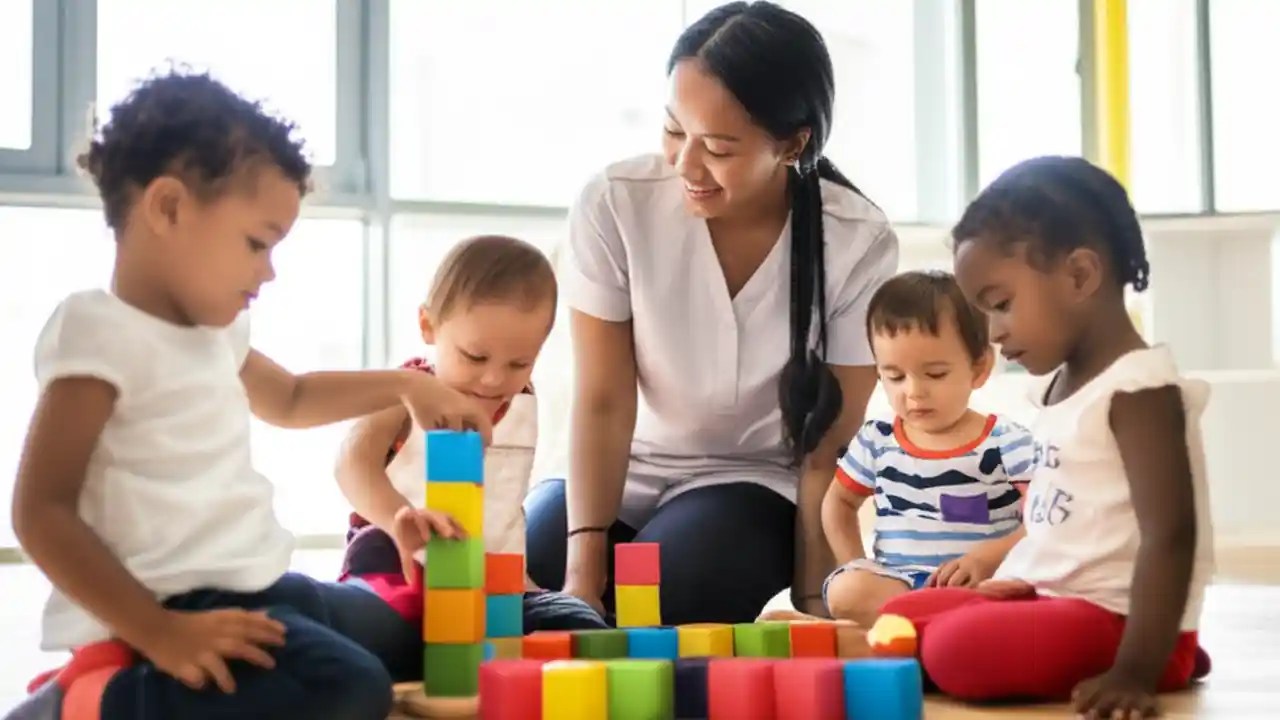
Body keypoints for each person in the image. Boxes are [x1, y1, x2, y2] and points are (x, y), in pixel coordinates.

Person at [6, 70, 493, 720]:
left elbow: (290, 398)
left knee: (419, 641)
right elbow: (41, 512)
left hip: (257, 587)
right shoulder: (100, 333)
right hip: (167, 607)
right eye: (256, 243)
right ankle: (91, 698)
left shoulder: (216, 330)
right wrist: (158, 632)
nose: (268, 271)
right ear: (169, 208)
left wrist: (409, 385)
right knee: (351, 689)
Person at [524, 0, 899, 625]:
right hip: (627, 465)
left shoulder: (855, 238)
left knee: (670, 593)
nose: (686, 165)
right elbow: (603, 399)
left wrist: (812, 601)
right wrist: (579, 578)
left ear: (791, 144)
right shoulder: (614, 203)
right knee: (525, 577)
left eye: (719, 148)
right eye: (674, 131)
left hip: (750, 484)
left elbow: (827, 439)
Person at [880, 156, 1214, 717]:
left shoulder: (1138, 391)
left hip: (1115, 617)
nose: (992, 332)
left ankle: (1165, 655)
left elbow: (1172, 534)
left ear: (1080, 276)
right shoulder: (1065, 383)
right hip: (1053, 597)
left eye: (1001, 304)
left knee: (953, 648)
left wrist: (1135, 670)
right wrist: (1015, 581)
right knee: (904, 614)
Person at [334, 234, 608, 675]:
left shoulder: (521, 405)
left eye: (520, 363)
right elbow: (351, 463)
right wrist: (399, 517)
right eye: (475, 356)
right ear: (428, 326)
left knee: (582, 628)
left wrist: (524, 587)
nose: (493, 379)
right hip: (399, 570)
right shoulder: (406, 392)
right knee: (384, 635)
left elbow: (501, 510)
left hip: (494, 585)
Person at [819, 271, 1033, 627]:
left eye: (934, 374)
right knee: (847, 590)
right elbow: (838, 502)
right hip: (899, 587)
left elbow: (1047, 521)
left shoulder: (1007, 442)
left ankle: (923, 625)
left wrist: (990, 557)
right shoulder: (877, 440)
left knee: (1024, 594)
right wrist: (858, 563)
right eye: (895, 376)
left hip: (980, 585)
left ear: (978, 369)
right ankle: (934, 621)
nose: (914, 392)